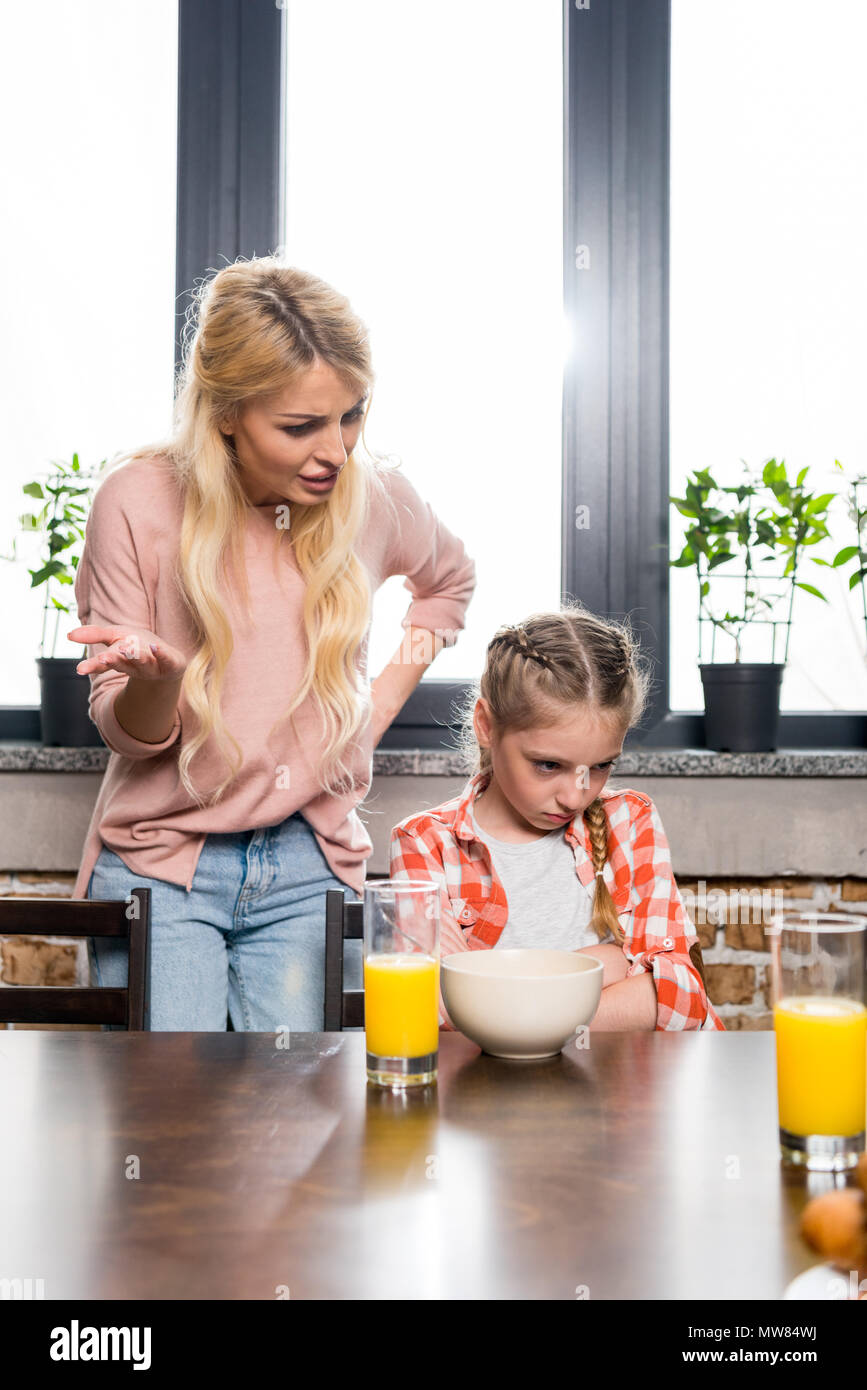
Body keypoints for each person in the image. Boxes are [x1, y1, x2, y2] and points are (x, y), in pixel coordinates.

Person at [67, 255, 476, 1031]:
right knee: (174, 1128)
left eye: (351, 414)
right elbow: (127, 729)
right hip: (164, 866)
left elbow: (448, 583)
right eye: (300, 426)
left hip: (306, 865)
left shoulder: (375, 497)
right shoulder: (138, 500)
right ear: (224, 412)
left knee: (295, 1137)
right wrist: (160, 682)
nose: (337, 451)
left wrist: (374, 709)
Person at [388, 605, 724, 1031]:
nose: (574, 796)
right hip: (491, 1095)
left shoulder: (630, 821)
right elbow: (441, 1011)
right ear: (486, 726)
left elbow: (683, 999)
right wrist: (603, 965)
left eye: (601, 766)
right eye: (548, 765)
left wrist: (514, 1009)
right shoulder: (425, 843)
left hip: (626, 1092)